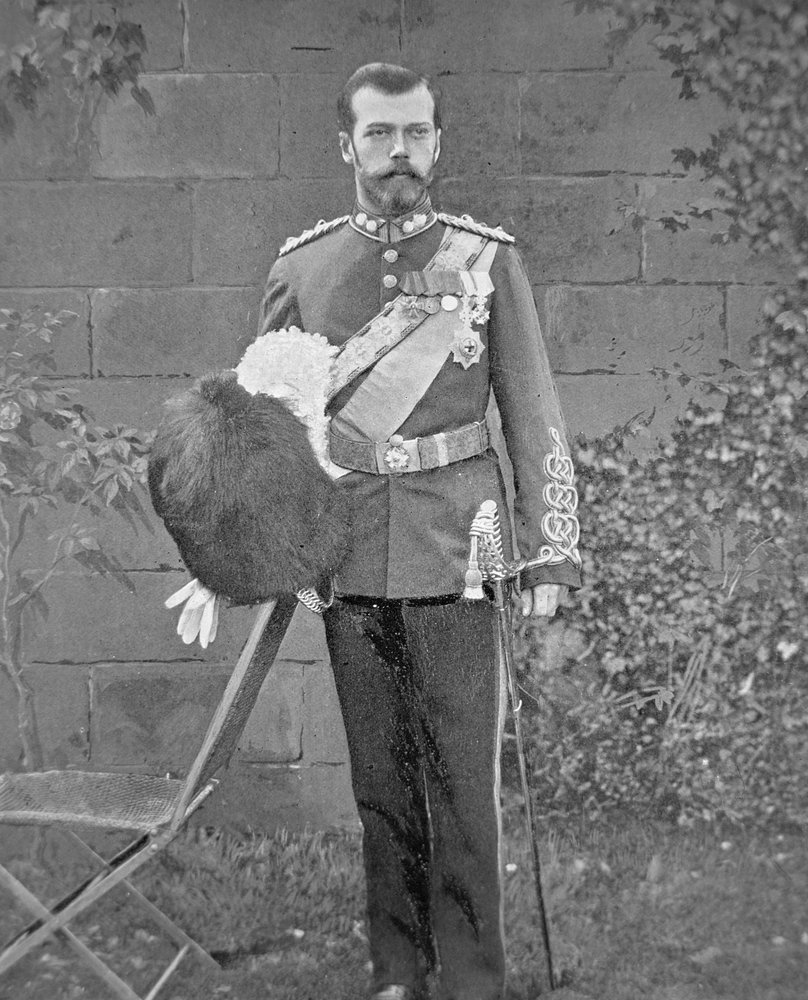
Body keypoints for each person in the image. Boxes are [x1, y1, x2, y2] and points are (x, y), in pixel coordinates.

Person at [256, 63, 582, 1000]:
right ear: (347, 147)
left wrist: (548, 548)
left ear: (437, 143)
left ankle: (474, 975)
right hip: (349, 558)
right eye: (379, 135)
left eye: (414, 134)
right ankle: (399, 968)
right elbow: (275, 430)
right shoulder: (302, 272)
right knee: (380, 785)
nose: (398, 153)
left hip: (461, 553)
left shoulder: (487, 261)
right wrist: (269, 546)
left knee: (462, 787)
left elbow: (533, 411)